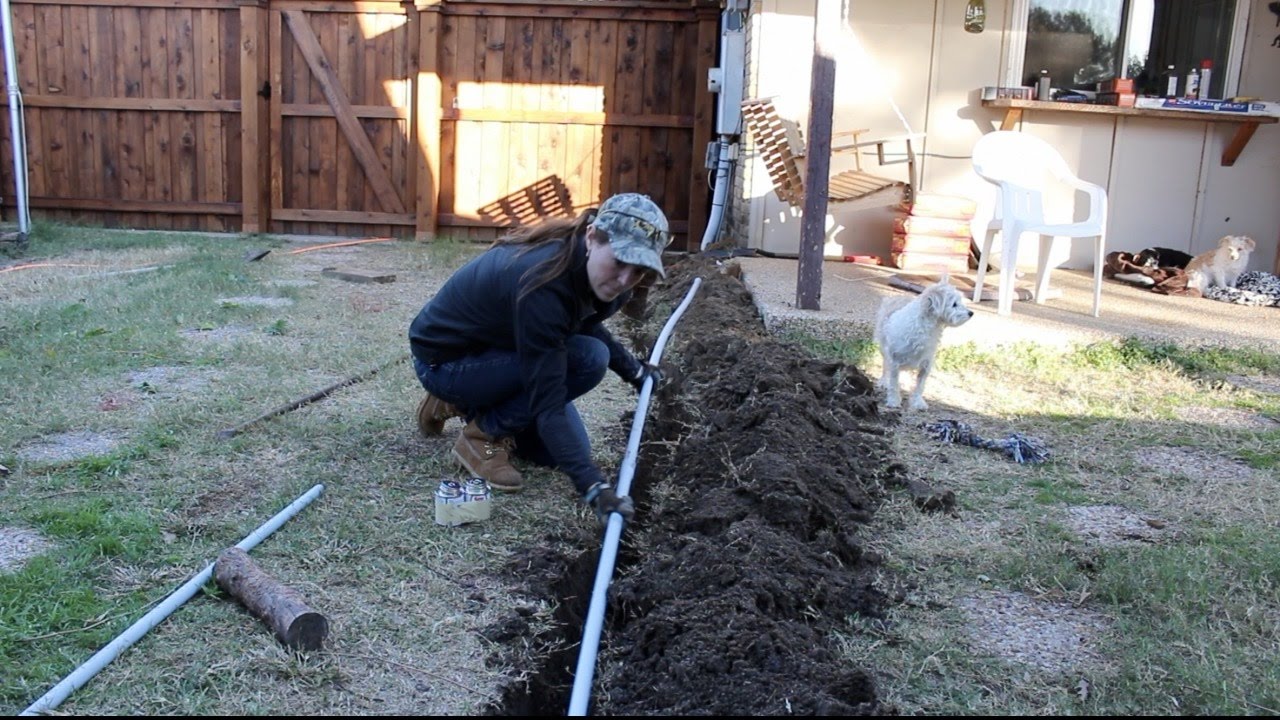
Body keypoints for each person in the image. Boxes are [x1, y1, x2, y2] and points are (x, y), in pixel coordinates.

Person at [408, 193, 671, 522]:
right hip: (446, 362)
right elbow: (547, 401)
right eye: (619, 262)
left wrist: (636, 372)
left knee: (553, 452)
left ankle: (464, 402)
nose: (624, 281)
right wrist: (594, 488)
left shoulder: (594, 272)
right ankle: (478, 432)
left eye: (638, 271)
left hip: (497, 348)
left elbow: (585, 325)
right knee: (589, 359)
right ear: (592, 237)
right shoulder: (544, 283)